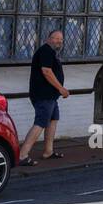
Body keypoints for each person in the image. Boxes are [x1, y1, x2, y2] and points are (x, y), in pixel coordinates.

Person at [19, 30, 69, 166]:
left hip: (51, 96)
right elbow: (46, 71)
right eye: (56, 38)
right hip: (43, 95)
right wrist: (61, 88)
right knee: (41, 122)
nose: (59, 41)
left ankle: (48, 151)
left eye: (61, 40)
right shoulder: (46, 51)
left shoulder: (51, 52)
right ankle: (22, 155)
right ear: (49, 39)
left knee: (53, 120)